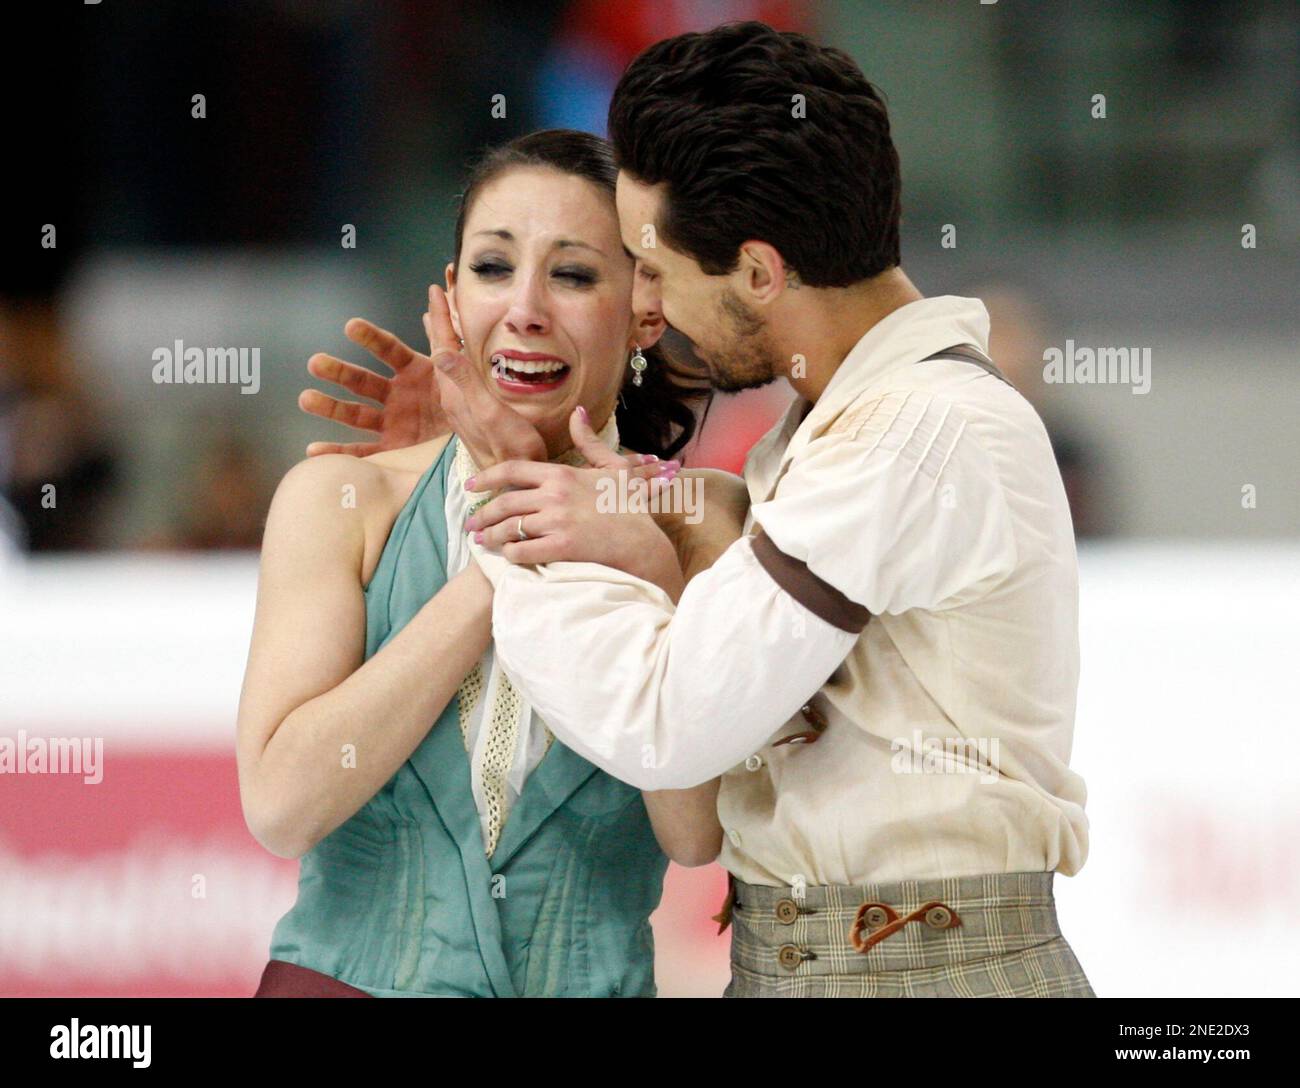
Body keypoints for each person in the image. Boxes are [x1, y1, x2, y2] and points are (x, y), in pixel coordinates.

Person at [316, 22, 1097, 998]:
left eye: (653, 266)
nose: (645, 307)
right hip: (820, 959)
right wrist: (570, 466)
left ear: (760, 272)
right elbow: (729, 522)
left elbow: (666, 718)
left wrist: (510, 488)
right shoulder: (842, 429)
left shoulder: (908, 438)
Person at [239, 129, 742, 998]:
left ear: (646, 311)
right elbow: (284, 806)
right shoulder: (341, 503)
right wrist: (509, 539)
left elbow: (695, 834)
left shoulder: (700, 523)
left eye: (575, 274)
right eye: (493, 267)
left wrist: (646, 572)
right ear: (450, 300)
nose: (526, 308)